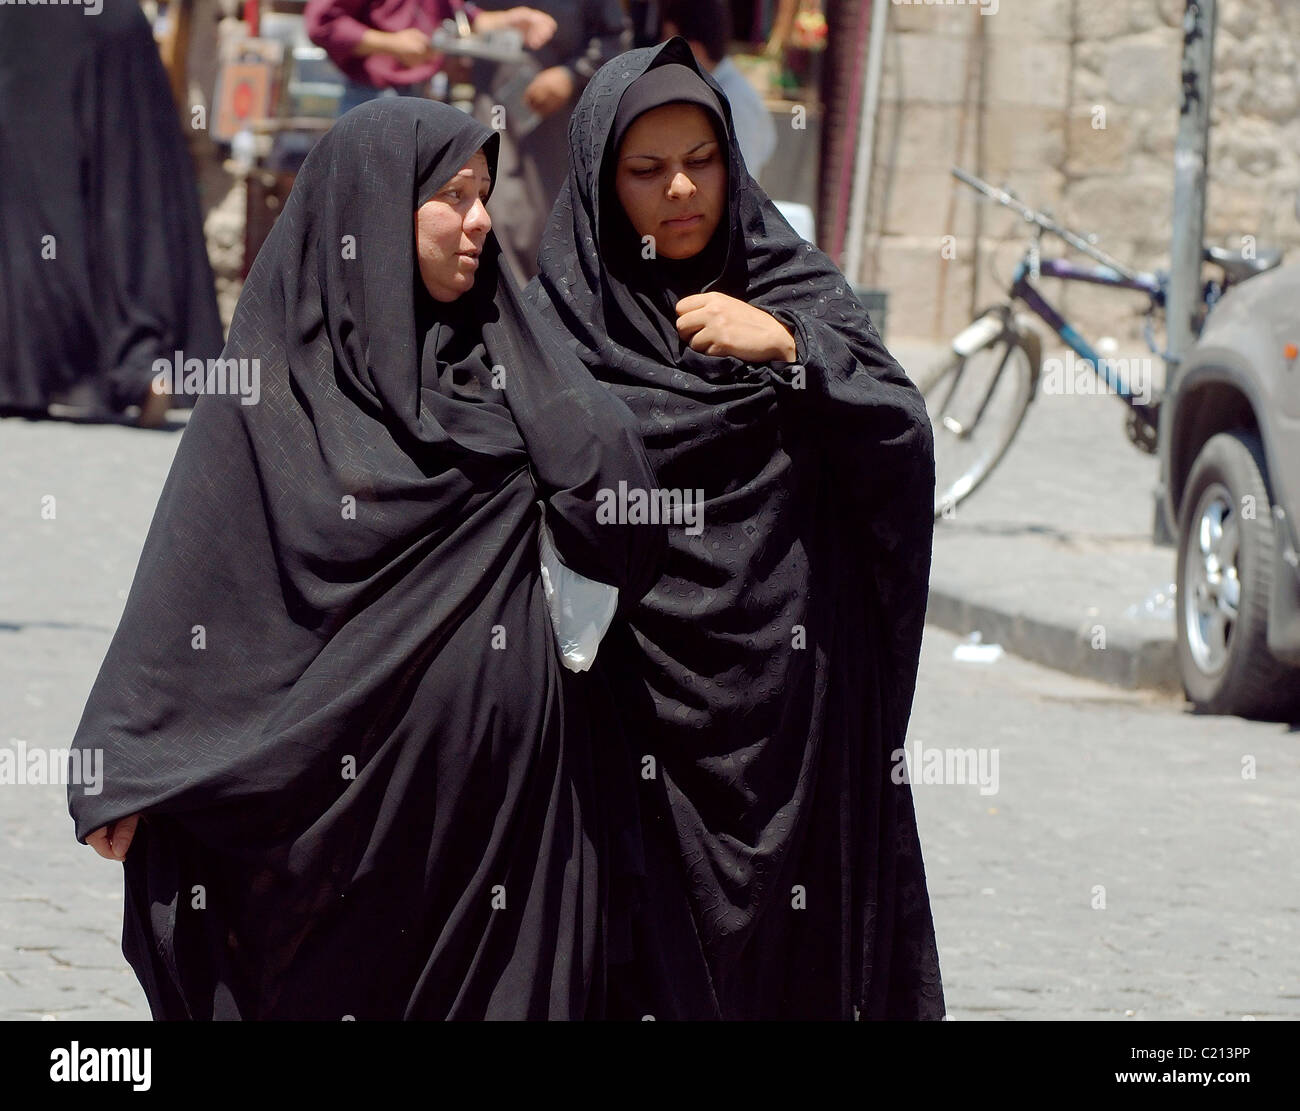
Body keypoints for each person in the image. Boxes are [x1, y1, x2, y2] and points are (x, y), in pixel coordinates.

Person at [67, 98, 666, 1020]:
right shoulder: (274, 393)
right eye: (451, 196)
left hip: (504, 832)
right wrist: (127, 758)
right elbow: (195, 584)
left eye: (484, 193)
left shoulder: (507, 361)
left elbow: (616, 511)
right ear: (372, 213)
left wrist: (556, 401)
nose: (479, 220)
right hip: (336, 839)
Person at [526, 37, 945, 1020]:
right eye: (646, 170)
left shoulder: (791, 289)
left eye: (701, 161)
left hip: (798, 729)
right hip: (633, 730)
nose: (680, 189)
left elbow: (900, 432)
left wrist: (795, 351)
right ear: (598, 180)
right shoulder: (554, 332)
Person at [0, 0, 222, 426]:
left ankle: (30, 370)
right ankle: (142, 363)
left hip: (24, 23)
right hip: (114, 20)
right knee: (129, 186)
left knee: (33, 197)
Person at [471, 0, 631, 284]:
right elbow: (451, 16)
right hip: (495, 107)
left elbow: (614, 36)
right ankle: (506, 309)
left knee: (555, 218)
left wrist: (571, 74)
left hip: (561, 114)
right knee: (497, 210)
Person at [305, 0, 558, 114]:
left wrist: (508, 20)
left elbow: (461, 20)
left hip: (427, 97)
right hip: (373, 98)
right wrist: (392, 44)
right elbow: (322, 24)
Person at [660, 0, 776, 180]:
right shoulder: (714, 93)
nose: (660, 57)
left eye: (666, 46)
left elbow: (739, 187)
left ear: (692, 50)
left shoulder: (733, 103)